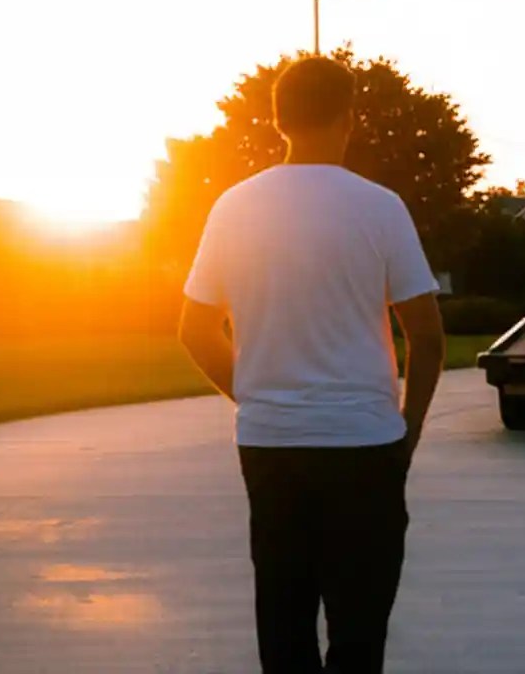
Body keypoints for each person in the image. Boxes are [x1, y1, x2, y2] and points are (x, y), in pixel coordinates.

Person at [178, 55, 447, 674]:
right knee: (358, 630)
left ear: (279, 121)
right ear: (347, 118)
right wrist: (408, 432)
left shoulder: (234, 207)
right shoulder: (380, 207)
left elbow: (195, 329)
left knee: (284, 621)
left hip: (272, 445)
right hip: (365, 443)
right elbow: (427, 336)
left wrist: (254, 397)